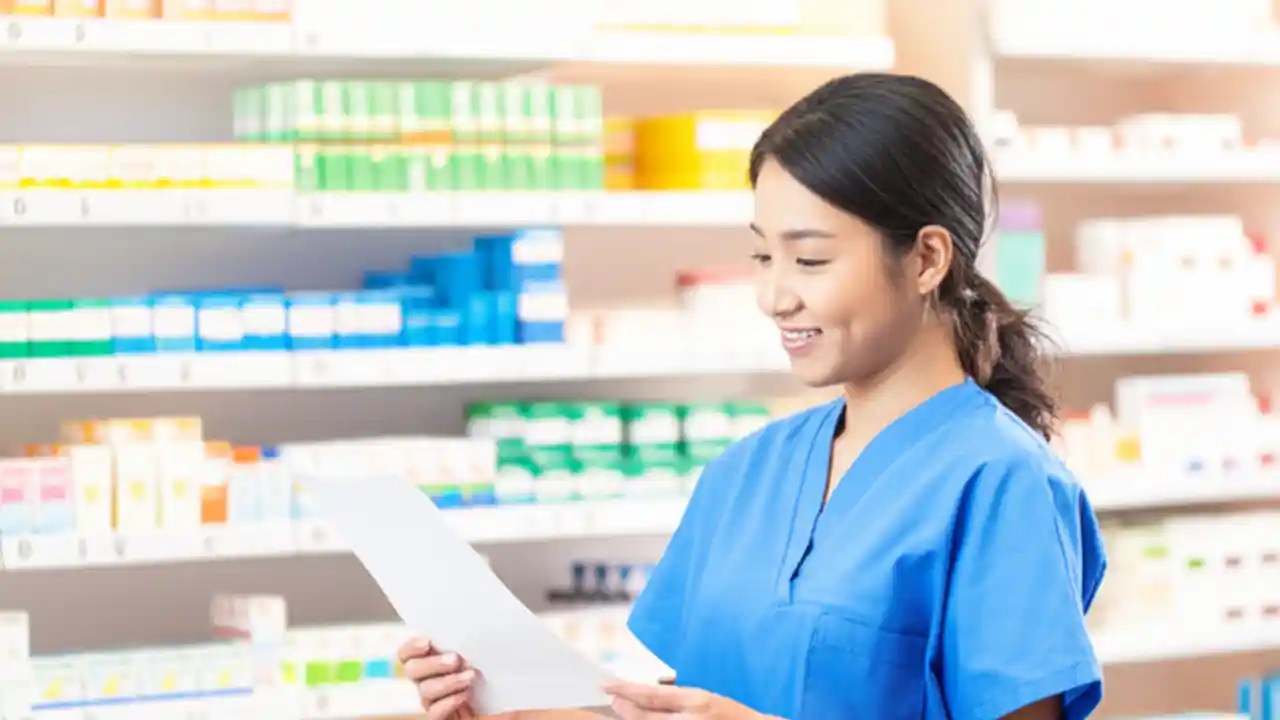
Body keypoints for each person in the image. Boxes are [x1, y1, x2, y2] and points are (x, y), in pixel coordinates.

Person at [398, 72, 1106, 720]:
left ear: (926, 258)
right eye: (764, 256)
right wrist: (503, 705)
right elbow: (686, 707)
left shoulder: (1002, 484)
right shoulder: (747, 473)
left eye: (811, 259)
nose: (775, 296)